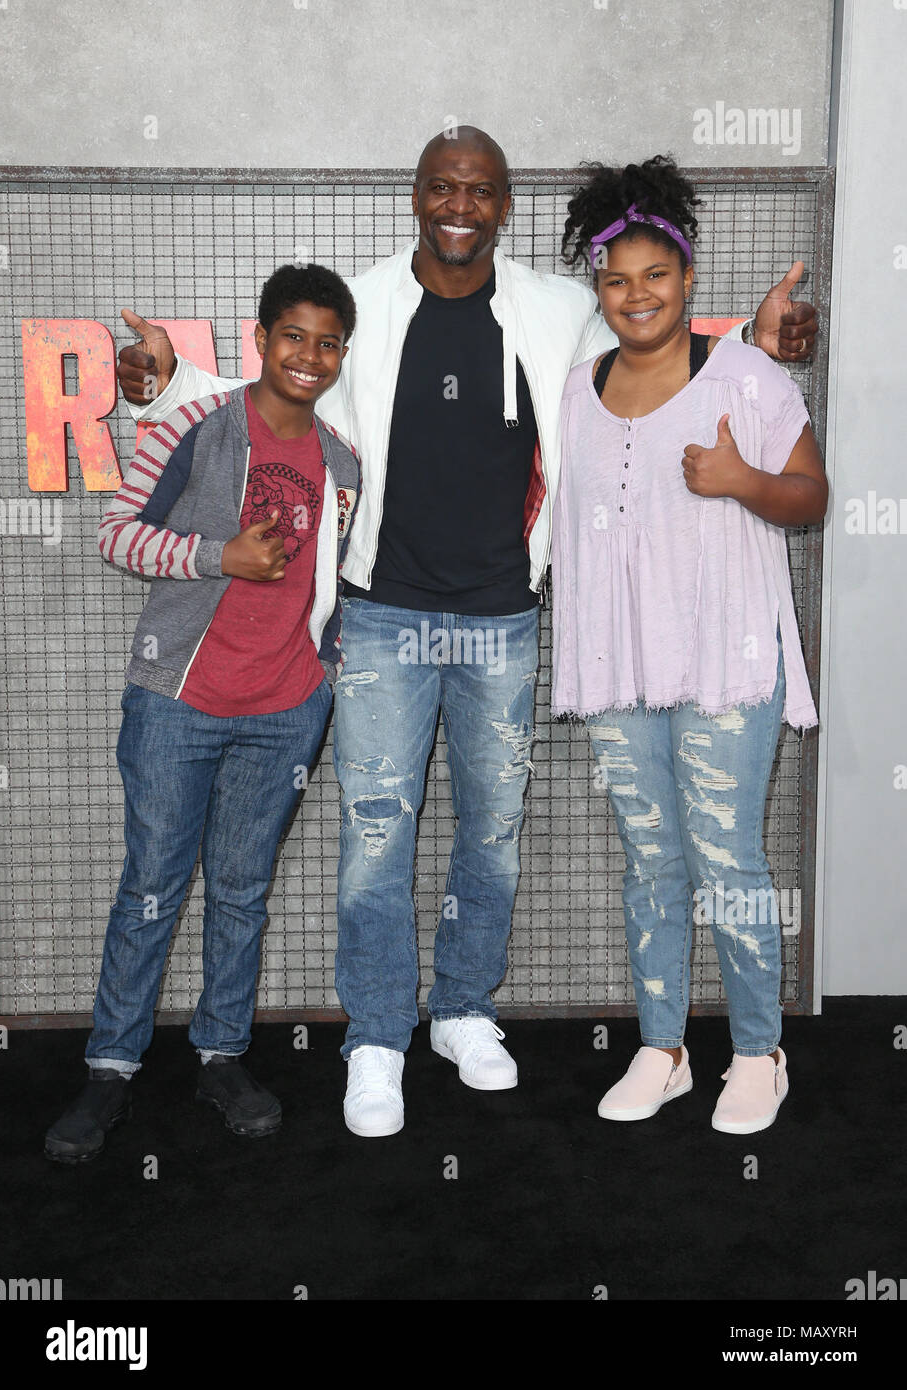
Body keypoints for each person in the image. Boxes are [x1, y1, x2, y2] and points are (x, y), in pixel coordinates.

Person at [114, 128, 819, 1138]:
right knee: (375, 830)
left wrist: (754, 340)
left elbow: (662, 348)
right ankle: (372, 1036)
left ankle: (462, 1010)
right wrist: (165, 380)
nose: (459, 204)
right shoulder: (361, 304)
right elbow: (274, 397)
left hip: (502, 616)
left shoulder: (556, 307)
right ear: (414, 197)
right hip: (384, 611)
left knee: (491, 830)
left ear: (502, 205)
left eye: (479, 190)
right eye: (442, 187)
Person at [44, 265, 360, 1162]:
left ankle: (222, 1055)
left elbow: (337, 584)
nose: (309, 355)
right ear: (261, 339)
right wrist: (216, 556)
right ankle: (110, 1068)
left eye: (327, 340)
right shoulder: (194, 422)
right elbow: (117, 535)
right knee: (150, 887)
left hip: (287, 708)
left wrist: (324, 675)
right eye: (293, 335)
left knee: (241, 891)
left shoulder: (342, 461)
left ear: (342, 353)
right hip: (177, 699)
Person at [552, 156, 828, 1133]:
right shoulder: (576, 391)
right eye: (615, 278)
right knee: (649, 859)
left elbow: (810, 496)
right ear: (597, 287)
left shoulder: (744, 374)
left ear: (686, 277)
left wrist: (738, 481)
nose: (636, 295)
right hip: (623, 668)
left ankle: (756, 1051)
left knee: (727, 859)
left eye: (654, 275)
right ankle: (660, 1046)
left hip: (724, 662)